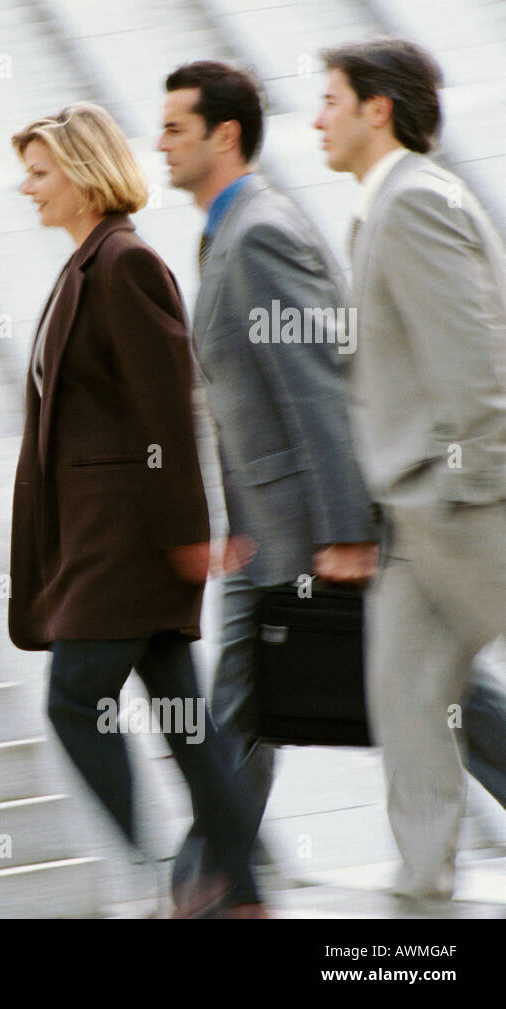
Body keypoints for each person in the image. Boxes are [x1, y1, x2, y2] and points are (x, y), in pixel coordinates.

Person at [7, 102, 265, 917]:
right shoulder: (86, 263)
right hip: (109, 542)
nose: (28, 188)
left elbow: (168, 412)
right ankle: (245, 893)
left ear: (84, 175)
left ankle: (149, 873)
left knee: (73, 699)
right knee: (189, 727)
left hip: (126, 546)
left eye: (40, 172)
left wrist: (192, 535)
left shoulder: (124, 263)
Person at [155, 61, 379, 907]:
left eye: (176, 126)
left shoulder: (258, 233)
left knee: (434, 691)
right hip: (266, 537)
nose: (160, 142)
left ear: (225, 135)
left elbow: (317, 383)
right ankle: (209, 885)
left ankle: (204, 885)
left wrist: (347, 529)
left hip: (307, 534)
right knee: (243, 720)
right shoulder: (224, 233)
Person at [315, 38, 506, 903]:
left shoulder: (417, 202)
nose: (317, 119)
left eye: (330, 100)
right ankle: (424, 891)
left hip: (461, 502)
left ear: (376, 108)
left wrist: (469, 483)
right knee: (408, 698)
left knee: (420, 693)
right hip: (416, 513)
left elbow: (475, 365)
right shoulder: (387, 204)